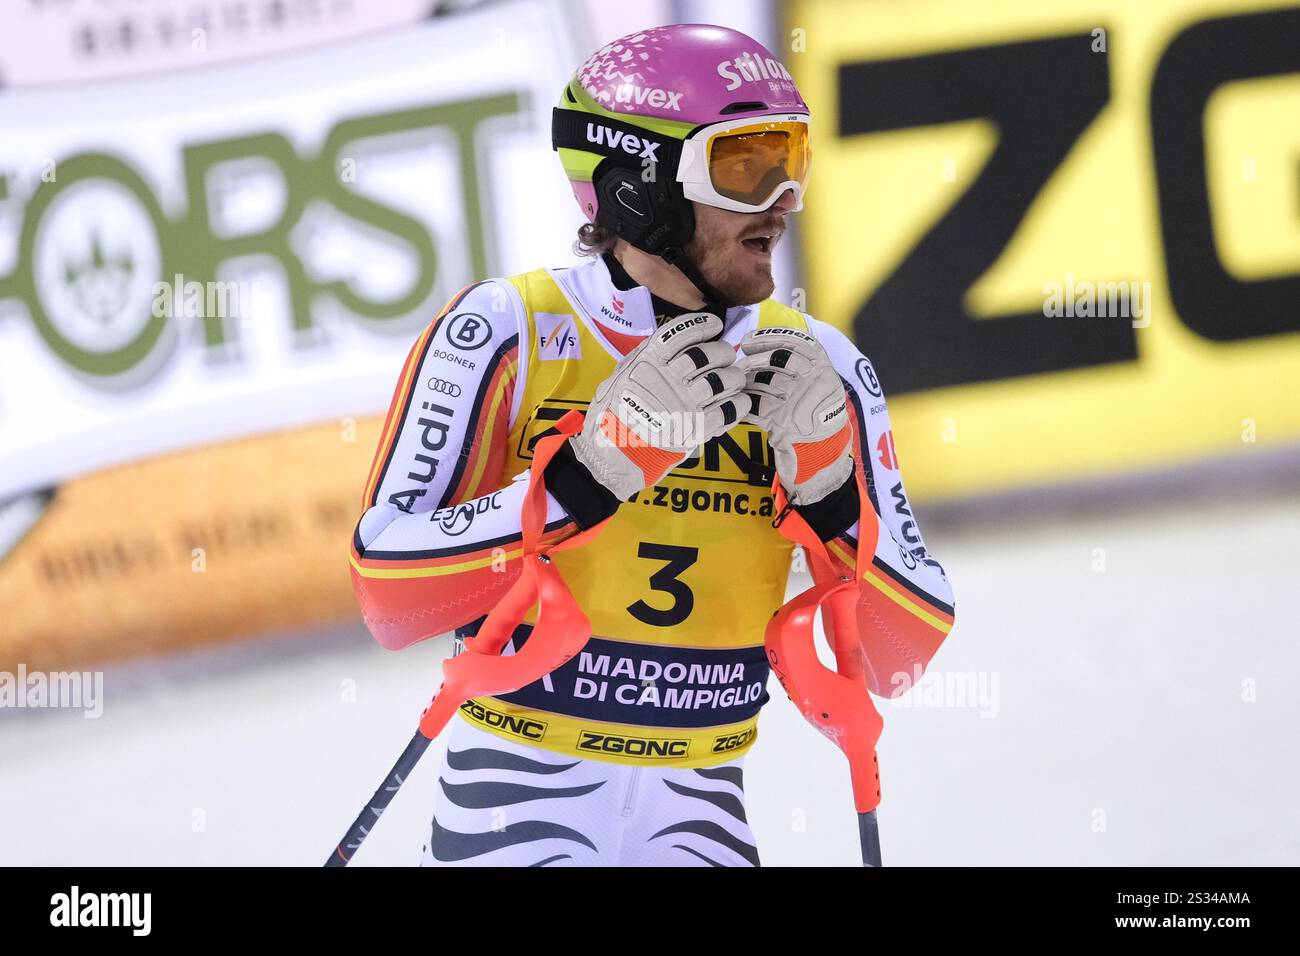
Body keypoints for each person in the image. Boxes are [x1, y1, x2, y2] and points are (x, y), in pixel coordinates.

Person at [349, 23, 954, 867]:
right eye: (747, 165)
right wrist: (585, 478)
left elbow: (901, 659)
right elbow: (386, 591)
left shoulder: (821, 366)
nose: (785, 201)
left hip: (702, 818)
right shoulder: (507, 330)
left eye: (793, 159)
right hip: (512, 805)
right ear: (639, 187)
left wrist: (828, 491)